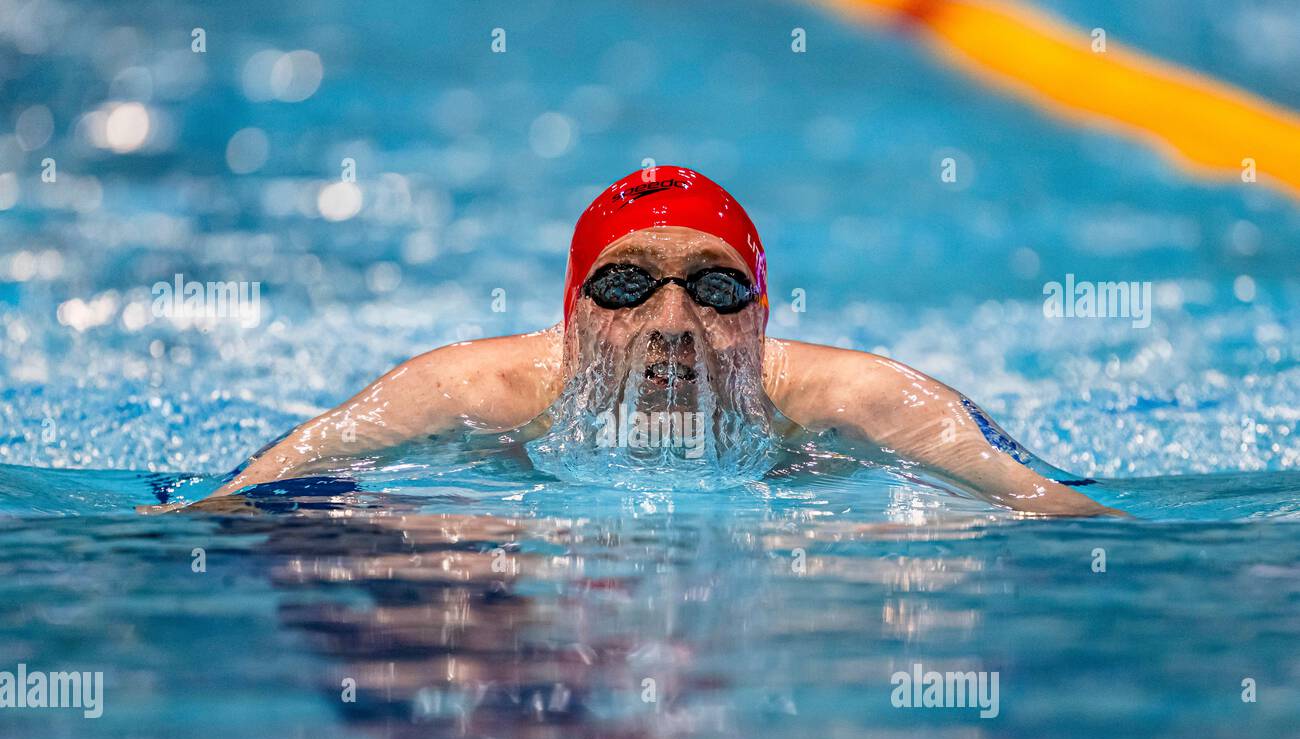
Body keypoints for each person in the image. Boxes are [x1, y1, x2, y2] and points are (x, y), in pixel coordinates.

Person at [145, 166, 1120, 517]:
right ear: (570, 318)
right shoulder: (470, 390)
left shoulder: (850, 401)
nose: (671, 324)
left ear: (764, 315)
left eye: (714, 286)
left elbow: (1057, 510)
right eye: (625, 284)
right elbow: (243, 491)